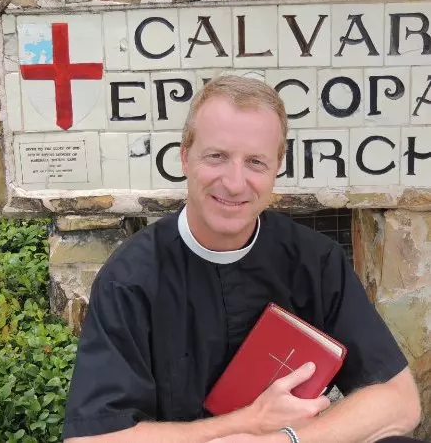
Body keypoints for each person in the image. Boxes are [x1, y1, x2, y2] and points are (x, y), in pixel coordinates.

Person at [63, 76, 422, 443]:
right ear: (185, 156)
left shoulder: (314, 261)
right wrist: (244, 424)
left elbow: (400, 402)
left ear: (276, 167)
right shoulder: (130, 278)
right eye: (217, 156)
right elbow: (91, 437)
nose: (235, 183)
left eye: (255, 162)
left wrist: (284, 440)